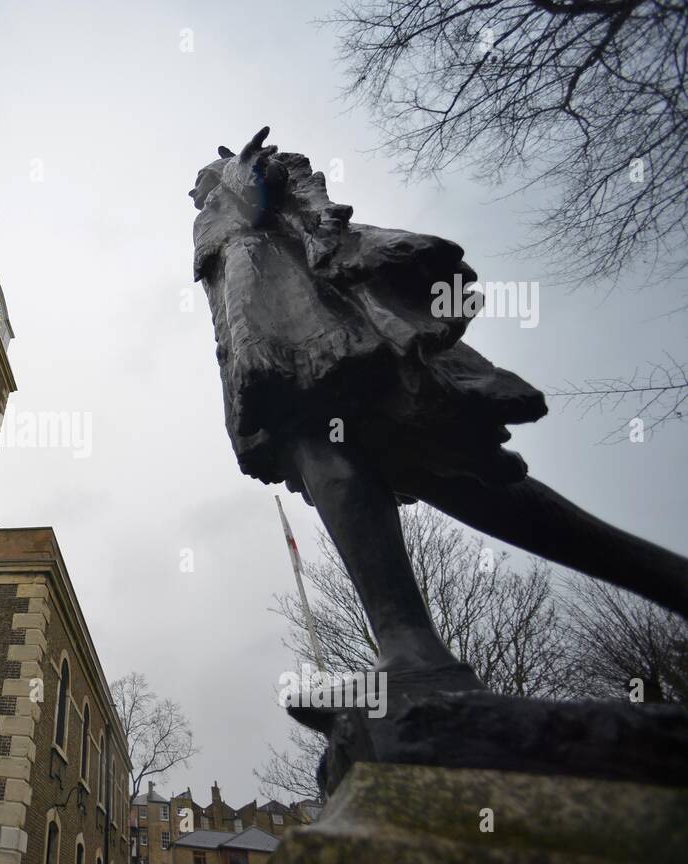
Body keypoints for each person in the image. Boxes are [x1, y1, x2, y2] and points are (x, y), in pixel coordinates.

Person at [191, 127, 688, 697]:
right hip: (271, 337)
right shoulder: (212, 221)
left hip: (328, 328)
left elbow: (287, 201)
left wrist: (240, 171)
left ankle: (414, 648)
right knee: (342, 450)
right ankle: (411, 647)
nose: (193, 192)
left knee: (436, 461)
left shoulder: (244, 183)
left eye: (199, 180)